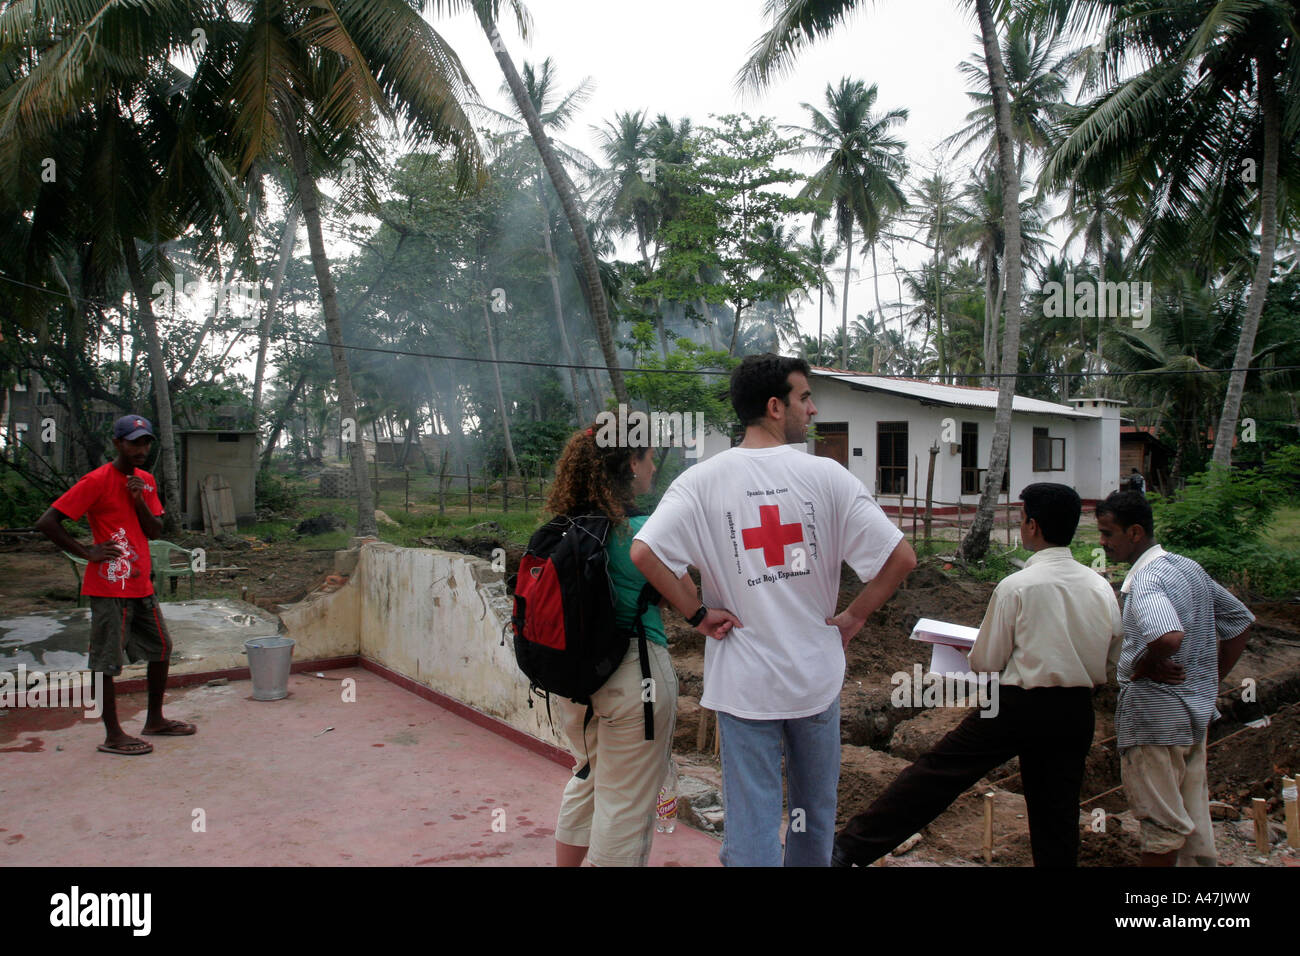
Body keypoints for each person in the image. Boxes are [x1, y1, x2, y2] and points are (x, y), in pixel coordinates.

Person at [631, 354, 916, 866]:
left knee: (752, 823)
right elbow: (901, 558)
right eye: (804, 398)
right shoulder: (827, 476)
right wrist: (854, 616)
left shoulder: (701, 481)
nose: (812, 409)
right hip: (815, 677)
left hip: (745, 682)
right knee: (814, 815)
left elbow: (644, 552)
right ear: (774, 406)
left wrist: (697, 615)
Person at [833, 483, 1122, 867]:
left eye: (1021, 518)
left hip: (1018, 705)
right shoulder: (1100, 587)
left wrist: (969, 651)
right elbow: (1111, 657)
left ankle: (848, 849)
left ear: (1033, 526)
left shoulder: (1016, 587)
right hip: (1074, 712)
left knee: (938, 774)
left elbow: (986, 661)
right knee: (1057, 812)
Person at [547, 424, 683, 867]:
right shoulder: (641, 533)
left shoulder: (563, 529)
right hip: (634, 678)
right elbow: (683, 596)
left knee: (587, 777)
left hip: (572, 680)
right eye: (649, 457)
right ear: (630, 464)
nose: (653, 466)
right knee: (625, 803)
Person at [1095, 491, 1253, 866]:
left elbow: (1167, 637)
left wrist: (1145, 663)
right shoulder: (1187, 568)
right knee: (1192, 821)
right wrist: (1208, 679)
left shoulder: (1146, 580)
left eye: (1108, 533)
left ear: (1135, 532)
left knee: (1161, 827)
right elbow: (1240, 621)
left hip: (1153, 720)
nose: (1102, 542)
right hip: (1193, 715)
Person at [33, 415, 196, 755]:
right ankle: (113, 734)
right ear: (118, 443)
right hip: (109, 587)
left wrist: (138, 500)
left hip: (141, 585)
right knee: (106, 661)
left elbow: (154, 531)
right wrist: (87, 552)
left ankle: (155, 720)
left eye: (146, 442)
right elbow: (48, 522)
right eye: (134, 443)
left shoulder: (145, 481)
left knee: (161, 649)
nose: (142, 449)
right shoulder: (96, 481)